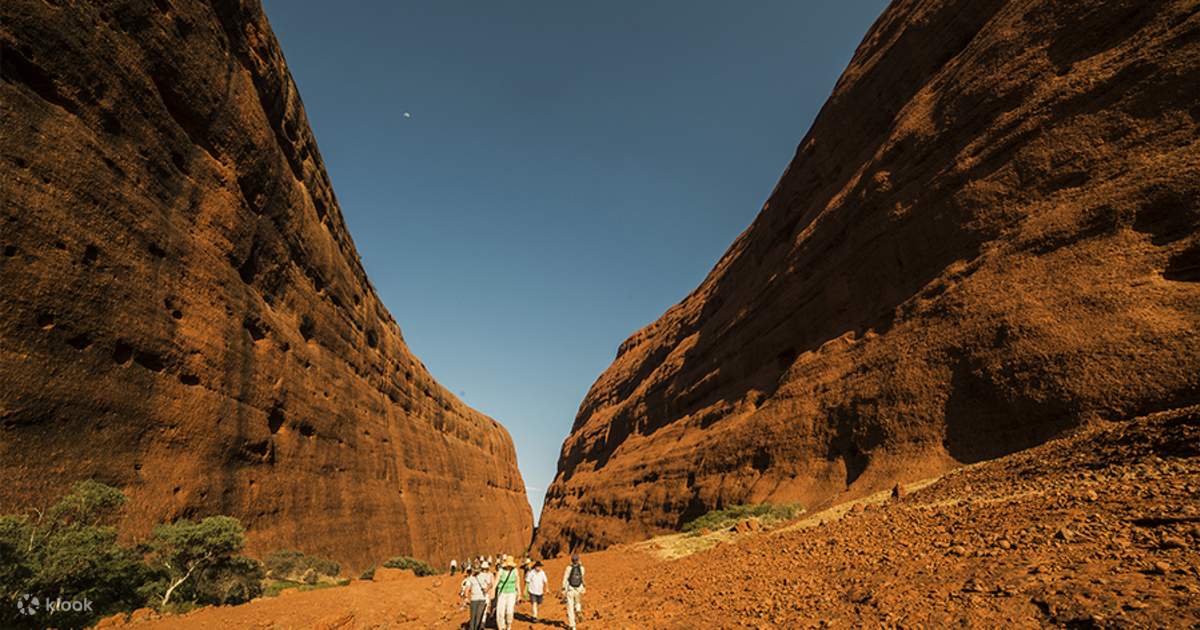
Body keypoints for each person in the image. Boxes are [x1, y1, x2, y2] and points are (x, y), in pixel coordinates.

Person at [492, 555, 522, 630]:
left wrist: (519, 593)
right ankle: (501, 627)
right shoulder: (501, 570)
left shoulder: (515, 571)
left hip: (511, 593)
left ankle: (508, 625)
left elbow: (517, 582)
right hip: (502, 593)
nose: (509, 566)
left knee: (509, 611)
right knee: (500, 612)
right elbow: (497, 580)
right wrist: (493, 590)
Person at [562, 553, 586, 630]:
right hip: (578, 589)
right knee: (578, 601)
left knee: (570, 607)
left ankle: (572, 626)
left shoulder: (568, 568)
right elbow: (582, 578)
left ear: (572, 560)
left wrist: (563, 589)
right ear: (578, 560)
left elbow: (565, 579)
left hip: (570, 589)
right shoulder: (582, 568)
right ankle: (578, 609)